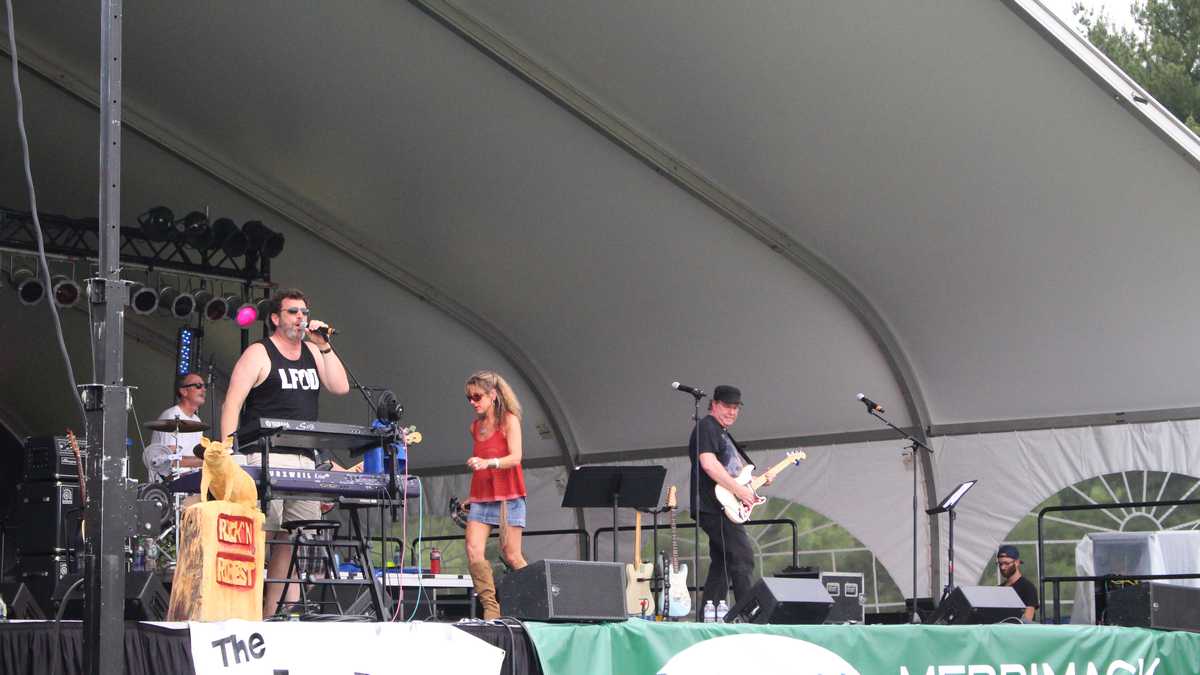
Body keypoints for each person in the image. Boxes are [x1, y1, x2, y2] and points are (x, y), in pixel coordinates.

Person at [220, 289, 350, 616]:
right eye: (293, 312)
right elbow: (233, 401)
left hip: (305, 459)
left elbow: (341, 387)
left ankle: (273, 611)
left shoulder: (313, 350)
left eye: (304, 312)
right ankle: (241, 609)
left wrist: (325, 345)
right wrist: (226, 451)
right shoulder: (259, 353)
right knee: (260, 536)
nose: (300, 318)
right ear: (276, 318)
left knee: (292, 539)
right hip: (265, 455)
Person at [688, 385, 771, 610]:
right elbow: (709, 464)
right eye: (727, 406)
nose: (732, 412)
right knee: (742, 557)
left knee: (723, 561)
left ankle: (711, 610)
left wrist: (751, 483)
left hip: (723, 504)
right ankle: (749, 612)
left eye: (736, 408)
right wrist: (739, 490)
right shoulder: (707, 426)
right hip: (714, 505)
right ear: (714, 404)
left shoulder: (723, 432)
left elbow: (729, 470)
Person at [462, 370, 528, 620]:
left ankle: (538, 596)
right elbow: (480, 466)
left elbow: (515, 457)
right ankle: (491, 607)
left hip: (509, 496)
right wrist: (472, 495)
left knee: (511, 554)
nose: (473, 402)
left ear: (493, 395)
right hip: (482, 497)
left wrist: (488, 463)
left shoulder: (509, 420)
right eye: (469, 398)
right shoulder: (475, 427)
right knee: (473, 549)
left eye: (477, 397)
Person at [143, 372, 207, 481]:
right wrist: (206, 461)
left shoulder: (196, 420)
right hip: (168, 484)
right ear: (183, 391)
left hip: (189, 480)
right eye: (198, 386)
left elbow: (195, 455)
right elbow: (170, 461)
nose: (203, 390)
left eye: (205, 386)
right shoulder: (171, 416)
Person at [997, 544, 1039, 621]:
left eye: (1006, 563)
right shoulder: (999, 589)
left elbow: (1027, 619)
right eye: (1000, 564)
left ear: (1017, 562)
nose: (1002, 567)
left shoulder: (1028, 587)